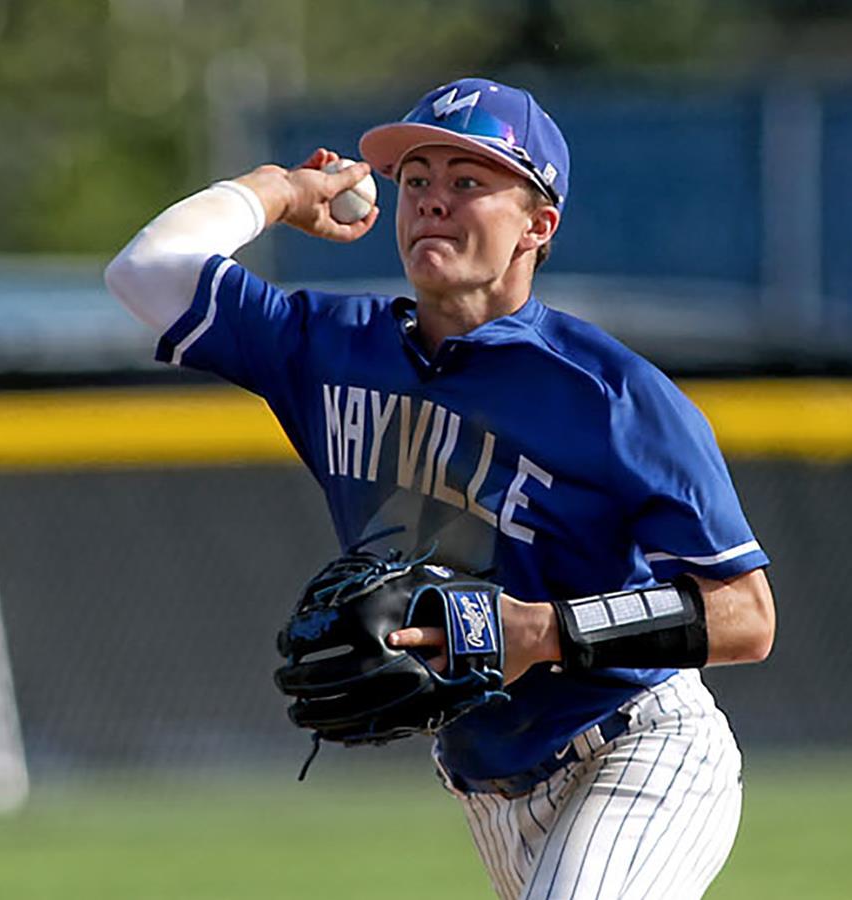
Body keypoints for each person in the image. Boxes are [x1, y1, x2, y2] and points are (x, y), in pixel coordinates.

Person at [104, 75, 775, 899]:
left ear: (538, 224)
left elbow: (745, 613)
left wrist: (542, 630)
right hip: (488, 786)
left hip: (639, 747)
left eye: (467, 182)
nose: (432, 201)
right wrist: (278, 190)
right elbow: (145, 271)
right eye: (416, 180)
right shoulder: (332, 348)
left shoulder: (611, 395)